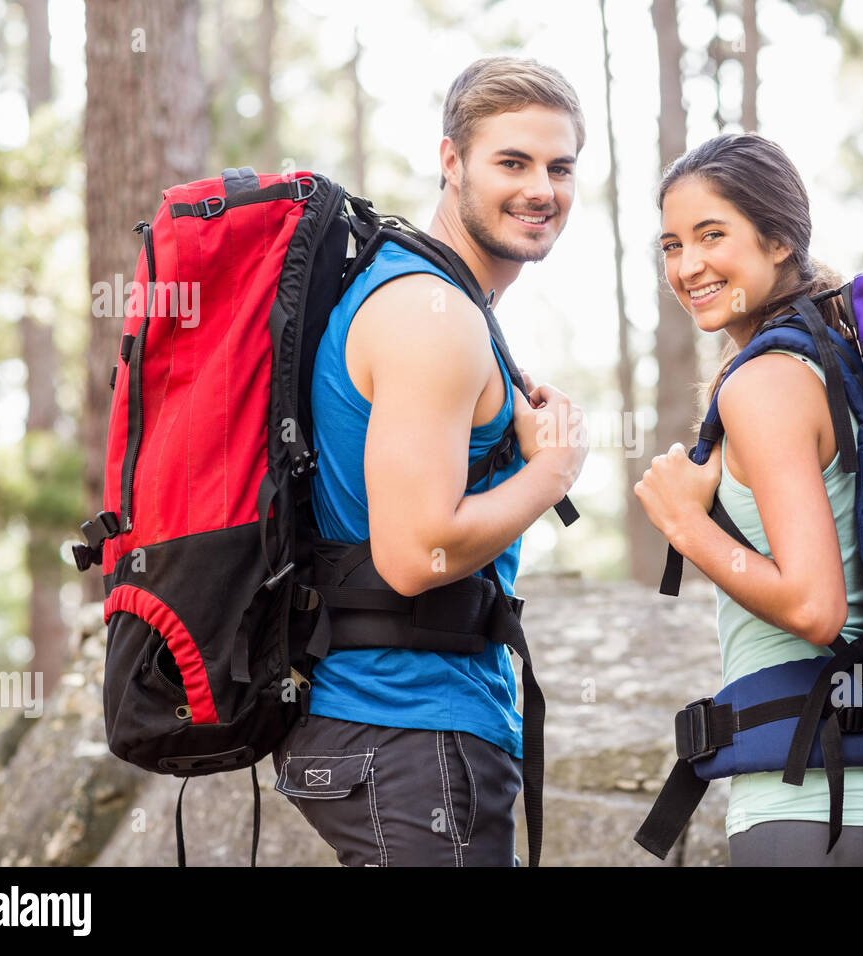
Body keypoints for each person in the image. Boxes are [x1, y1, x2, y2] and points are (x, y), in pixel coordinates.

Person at [272, 56, 589, 867]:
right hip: (404, 721)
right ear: (451, 162)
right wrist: (549, 476)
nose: (540, 190)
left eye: (559, 167)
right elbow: (419, 555)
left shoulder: (440, 301)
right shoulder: (432, 314)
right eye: (511, 162)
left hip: (404, 725)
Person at [634, 132, 863, 866]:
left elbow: (816, 607)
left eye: (711, 235)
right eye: (670, 245)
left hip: (812, 805)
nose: (688, 266)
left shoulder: (766, 383)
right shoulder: (858, 367)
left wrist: (685, 523)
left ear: (780, 239)